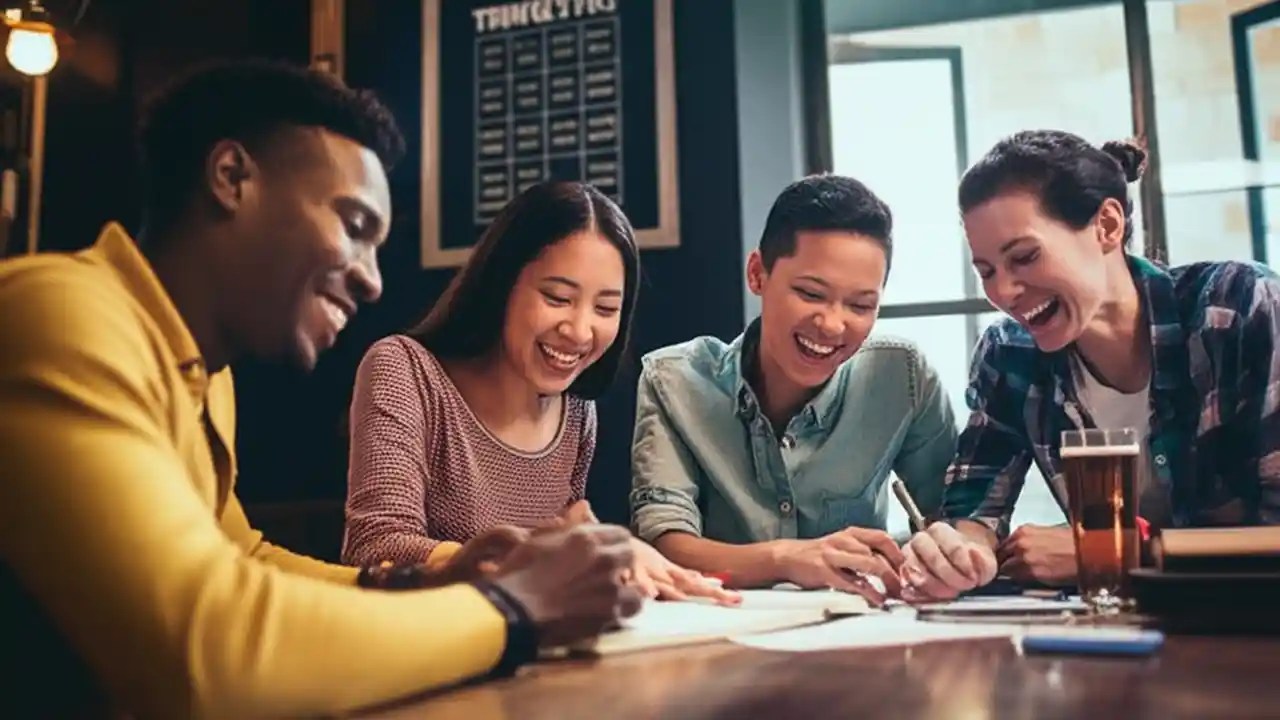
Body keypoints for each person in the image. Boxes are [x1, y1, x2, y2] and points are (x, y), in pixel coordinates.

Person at [0, 60, 643, 719]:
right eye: (355, 227)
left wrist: (430, 578)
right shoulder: (60, 313)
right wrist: (515, 607)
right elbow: (207, 648)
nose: (372, 281)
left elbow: (240, 557)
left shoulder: (202, 368)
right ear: (232, 178)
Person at [902, 129, 1280, 601]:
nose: (1002, 293)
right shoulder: (1009, 353)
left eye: (1024, 257)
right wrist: (962, 555)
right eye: (986, 272)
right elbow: (974, 511)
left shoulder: (1237, 308)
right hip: (1113, 636)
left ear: (1106, 226)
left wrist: (1115, 553)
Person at [341, 180, 736, 604]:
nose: (580, 331)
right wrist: (572, 554)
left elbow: (556, 561)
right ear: (503, 282)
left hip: (522, 648)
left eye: (605, 308)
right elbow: (375, 549)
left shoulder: (577, 411)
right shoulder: (405, 370)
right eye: (557, 297)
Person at [629, 174, 958, 605]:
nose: (833, 324)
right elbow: (666, 547)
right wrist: (787, 558)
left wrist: (941, 557)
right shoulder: (674, 381)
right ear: (757, 274)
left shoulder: (902, 377)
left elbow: (953, 515)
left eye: (861, 305)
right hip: (720, 634)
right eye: (809, 293)